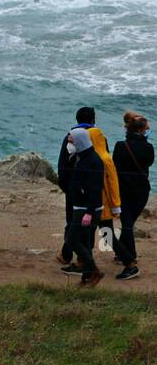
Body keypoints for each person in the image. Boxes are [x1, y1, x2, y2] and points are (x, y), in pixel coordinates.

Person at [112, 111, 153, 281]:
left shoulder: (120, 146)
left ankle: (131, 260)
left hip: (124, 190)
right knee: (128, 223)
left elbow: (115, 167)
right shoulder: (148, 148)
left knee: (127, 224)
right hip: (142, 191)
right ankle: (122, 254)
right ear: (142, 131)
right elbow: (149, 162)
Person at [62, 127, 105, 286]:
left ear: (79, 141)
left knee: (71, 240)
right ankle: (87, 278)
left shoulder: (93, 161)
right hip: (80, 208)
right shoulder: (81, 157)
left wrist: (89, 212)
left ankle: (95, 271)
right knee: (85, 243)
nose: (69, 143)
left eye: (71, 141)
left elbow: (96, 189)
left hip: (87, 210)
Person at [56, 107, 96, 265]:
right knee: (89, 223)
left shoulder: (69, 137)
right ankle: (83, 257)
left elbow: (62, 166)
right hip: (91, 188)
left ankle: (66, 255)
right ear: (93, 120)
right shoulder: (98, 137)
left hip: (73, 189)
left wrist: (66, 187)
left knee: (71, 221)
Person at [88, 126, 122, 270]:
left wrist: (116, 205)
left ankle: (129, 261)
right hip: (97, 203)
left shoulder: (105, 159)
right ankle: (127, 259)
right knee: (102, 234)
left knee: (107, 235)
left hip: (103, 204)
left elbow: (113, 183)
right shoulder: (97, 157)